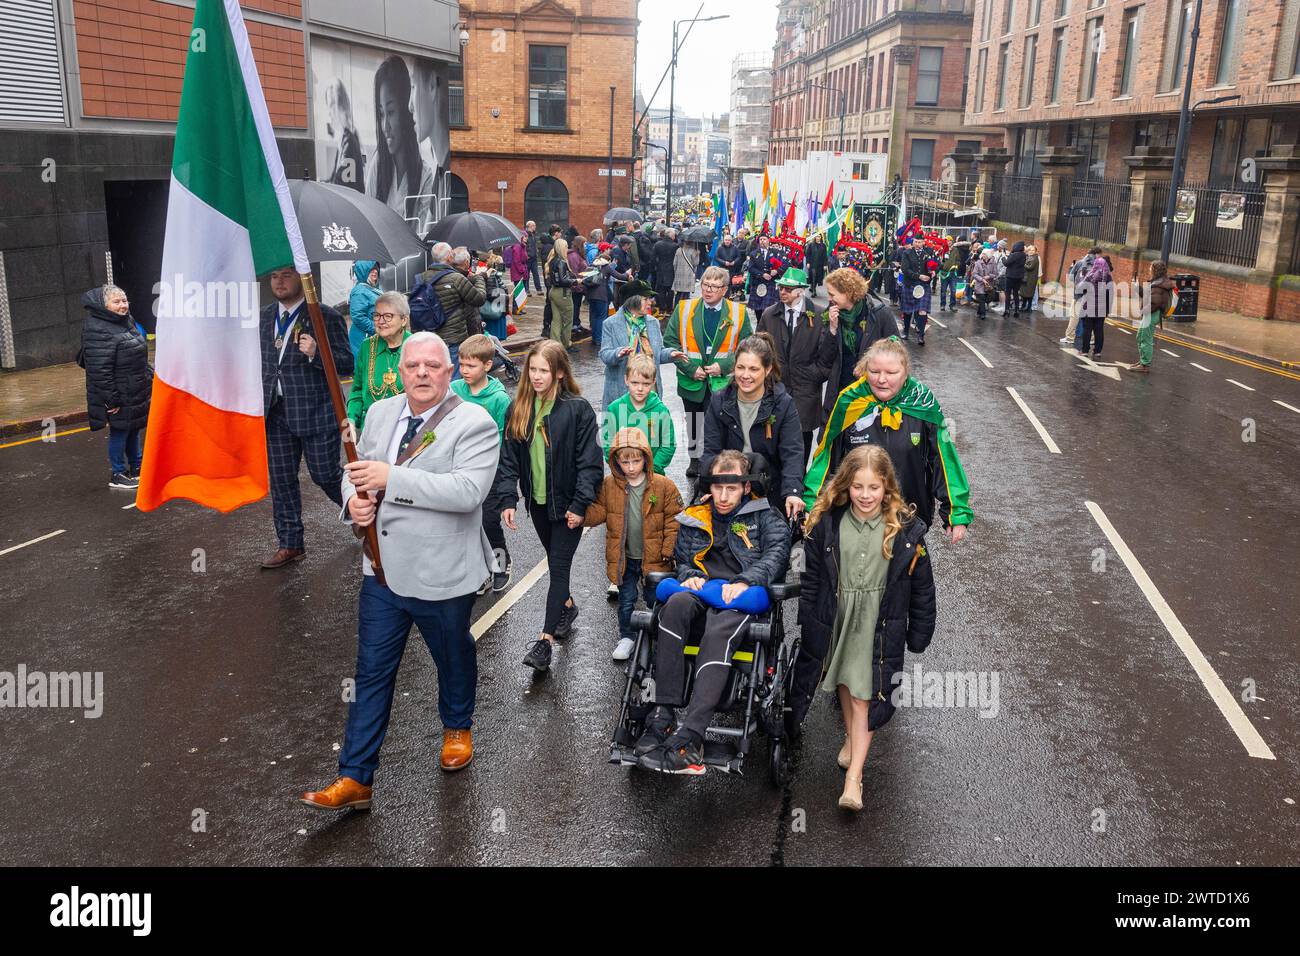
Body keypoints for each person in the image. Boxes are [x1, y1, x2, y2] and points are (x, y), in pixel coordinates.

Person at [300, 332, 500, 811]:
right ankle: (355, 777)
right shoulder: (381, 412)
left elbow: (467, 492)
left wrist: (393, 479)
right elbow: (355, 471)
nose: (422, 374)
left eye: (433, 366)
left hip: (443, 574)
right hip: (382, 572)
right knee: (371, 674)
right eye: (414, 366)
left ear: (449, 372)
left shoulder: (475, 423)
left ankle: (457, 727)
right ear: (401, 370)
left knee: (452, 658)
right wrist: (354, 503)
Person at [635, 451, 792, 774]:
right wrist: (687, 574)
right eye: (718, 488)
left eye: (731, 488)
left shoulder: (765, 516)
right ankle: (663, 716)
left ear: (746, 488)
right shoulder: (696, 515)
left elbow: (778, 554)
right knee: (673, 606)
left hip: (738, 595)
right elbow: (682, 559)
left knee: (719, 628)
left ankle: (691, 737)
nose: (723, 496)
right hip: (702, 590)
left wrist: (748, 580)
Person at [798, 445, 936, 810]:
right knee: (845, 682)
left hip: (880, 623)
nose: (865, 495)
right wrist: (810, 620)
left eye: (874, 488)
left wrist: (919, 633)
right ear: (846, 485)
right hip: (840, 616)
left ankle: (853, 780)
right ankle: (851, 739)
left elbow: (922, 586)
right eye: (858, 487)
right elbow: (813, 580)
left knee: (865, 696)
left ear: (887, 487)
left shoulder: (905, 530)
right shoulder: (828, 522)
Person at [495, 341, 603, 673]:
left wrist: (580, 504)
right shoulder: (519, 408)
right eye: (533, 369)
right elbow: (509, 460)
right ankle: (567, 607)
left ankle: (544, 643)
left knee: (557, 569)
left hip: (569, 506)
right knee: (556, 565)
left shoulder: (578, 409)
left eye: (544, 370)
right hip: (539, 505)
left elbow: (591, 464)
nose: (537, 376)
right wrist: (508, 499)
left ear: (558, 372)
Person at [805, 337, 972, 537]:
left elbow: (944, 461)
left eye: (891, 373)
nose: (881, 379)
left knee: (908, 568)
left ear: (905, 372)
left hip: (909, 517)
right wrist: (811, 505)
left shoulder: (924, 403)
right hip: (855, 516)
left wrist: (956, 513)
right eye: (874, 372)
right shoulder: (850, 401)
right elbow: (826, 458)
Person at [259, 266, 354, 569]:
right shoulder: (262, 318)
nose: (279, 282)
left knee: (325, 474)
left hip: (316, 411)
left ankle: (361, 513)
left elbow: (345, 363)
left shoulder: (325, 316)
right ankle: (290, 544)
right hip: (275, 413)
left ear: (301, 279)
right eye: (275, 276)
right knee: (281, 481)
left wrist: (317, 352)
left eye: (286, 275)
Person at [584, 427, 684, 661]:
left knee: (655, 598)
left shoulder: (663, 485)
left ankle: (658, 633)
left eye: (636, 461)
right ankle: (627, 637)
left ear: (646, 458)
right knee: (626, 599)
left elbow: (675, 519)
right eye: (625, 462)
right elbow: (599, 510)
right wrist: (580, 514)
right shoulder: (609, 485)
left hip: (655, 556)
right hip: (625, 556)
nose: (630, 467)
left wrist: (668, 549)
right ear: (616, 461)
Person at [663, 265, 755, 479]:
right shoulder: (684, 309)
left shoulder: (738, 312)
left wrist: (723, 367)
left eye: (714, 286)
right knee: (693, 421)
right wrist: (689, 368)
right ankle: (695, 460)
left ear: (724, 290)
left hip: (721, 383)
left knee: (720, 423)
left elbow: (748, 346)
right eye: (705, 284)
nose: (708, 290)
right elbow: (670, 341)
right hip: (691, 380)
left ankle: (718, 460)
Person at [702, 333, 806, 520]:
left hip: (769, 488)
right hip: (729, 486)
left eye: (753, 369)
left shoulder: (783, 404)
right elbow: (711, 451)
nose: (745, 375)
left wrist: (792, 492)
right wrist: (710, 485)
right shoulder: (719, 401)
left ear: (767, 370)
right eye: (740, 367)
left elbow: (792, 454)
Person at [452, 334, 514, 592]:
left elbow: (503, 438)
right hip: (459, 468)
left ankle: (501, 564)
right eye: (462, 364)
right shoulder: (454, 390)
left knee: (489, 521)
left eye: (471, 366)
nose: (464, 371)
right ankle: (479, 570)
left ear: (487, 366)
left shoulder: (499, 399)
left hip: (491, 472)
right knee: (466, 522)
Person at [757, 267, 836, 464]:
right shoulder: (769, 314)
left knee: (802, 442)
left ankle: (798, 486)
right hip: (776, 387)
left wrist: (815, 374)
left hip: (806, 389)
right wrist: (766, 377)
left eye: (787, 288)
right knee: (775, 439)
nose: (782, 291)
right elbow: (758, 349)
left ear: (800, 291)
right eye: (780, 287)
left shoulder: (818, 314)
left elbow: (827, 353)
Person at [81, 284, 151, 489]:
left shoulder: (124, 321)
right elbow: (99, 369)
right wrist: (111, 399)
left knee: (133, 428)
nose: (123, 305)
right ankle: (118, 473)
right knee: (120, 431)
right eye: (116, 302)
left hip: (133, 389)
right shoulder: (97, 328)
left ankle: (137, 468)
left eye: (124, 300)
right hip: (117, 393)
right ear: (104, 306)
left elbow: (137, 355)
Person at [821, 266, 899, 426]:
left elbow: (897, 352)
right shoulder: (831, 313)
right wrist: (832, 330)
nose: (829, 299)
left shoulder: (879, 313)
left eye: (832, 294)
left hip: (871, 392)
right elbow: (824, 358)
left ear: (848, 293)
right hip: (841, 390)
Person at [365, 55, 434, 233]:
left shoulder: (425, 175)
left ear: (405, 110)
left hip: (408, 258)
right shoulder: (378, 164)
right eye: (381, 114)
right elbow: (369, 222)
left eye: (391, 111)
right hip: (379, 258)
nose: (385, 126)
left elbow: (420, 234)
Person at [409, 243, 485, 376]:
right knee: (453, 379)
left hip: (428, 338)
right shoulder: (456, 279)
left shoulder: (420, 278)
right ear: (450, 257)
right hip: (452, 339)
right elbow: (479, 299)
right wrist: (479, 278)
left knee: (434, 376)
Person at [345, 291, 410, 436]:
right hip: (371, 428)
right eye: (377, 315)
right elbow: (356, 389)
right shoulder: (367, 347)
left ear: (404, 320)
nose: (381, 321)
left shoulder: (416, 345)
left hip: (405, 429)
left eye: (388, 316)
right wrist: (350, 421)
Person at [601, 353, 677, 476]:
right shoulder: (614, 408)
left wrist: (653, 467)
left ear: (653, 382)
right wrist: (619, 466)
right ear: (626, 380)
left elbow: (668, 444)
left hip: (652, 475)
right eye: (635, 383)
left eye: (646, 384)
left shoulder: (660, 410)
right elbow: (607, 442)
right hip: (622, 475)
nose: (640, 389)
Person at [599, 294, 680, 408]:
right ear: (633, 300)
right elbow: (605, 354)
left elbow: (658, 353)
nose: (650, 303)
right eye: (645, 299)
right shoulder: (610, 323)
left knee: (650, 424)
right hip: (622, 391)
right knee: (624, 425)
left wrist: (671, 354)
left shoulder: (653, 322)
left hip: (649, 390)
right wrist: (618, 353)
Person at [1135, 261, 1177, 374]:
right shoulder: (1158, 282)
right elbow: (1150, 296)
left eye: (1150, 268)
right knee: (1140, 336)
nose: (1149, 269)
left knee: (1145, 338)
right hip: (1151, 314)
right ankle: (1142, 361)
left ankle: (1145, 365)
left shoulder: (1159, 284)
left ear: (1155, 270)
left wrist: (1143, 310)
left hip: (1152, 314)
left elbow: (1155, 302)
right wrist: (1137, 288)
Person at [324, 79, 365, 192]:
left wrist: (323, 187)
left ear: (341, 107)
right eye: (328, 106)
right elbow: (335, 178)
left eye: (332, 105)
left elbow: (343, 185)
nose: (329, 112)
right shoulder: (344, 141)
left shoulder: (349, 143)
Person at [896, 233, 933, 345]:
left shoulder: (928, 253)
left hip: (924, 286)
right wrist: (919, 276)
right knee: (907, 311)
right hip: (910, 285)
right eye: (915, 242)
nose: (917, 244)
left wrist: (933, 272)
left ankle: (921, 336)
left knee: (922, 311)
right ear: (913, 242)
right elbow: (905, 269)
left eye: (919, 242)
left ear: (923, 242)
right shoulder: (906, 253)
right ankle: (906, 332)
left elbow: (934, 265)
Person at [1076, 254, 1113, 358]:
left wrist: (1082, 278)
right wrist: (1108, 310)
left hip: (1088, 307)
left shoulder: (1090, 275)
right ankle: (1097, 351)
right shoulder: (1108, 277)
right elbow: (1110, 295)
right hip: (1101, 308)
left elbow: (1080, 289)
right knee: (1099, 330)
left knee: (1087, 329)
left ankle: (1084, 350)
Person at [546, 238, 578, 350]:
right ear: (561, 248)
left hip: (553, 291)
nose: (567, 249)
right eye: (565, 247)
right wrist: (576, 281)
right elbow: (563, 280)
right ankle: (566, 344)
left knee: (556, 320)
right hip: (563, 293)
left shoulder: (552, 260)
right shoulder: (562, 262)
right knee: (568, 320)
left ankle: (555, 345)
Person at [347, 260, 381, 358]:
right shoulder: (360, 291)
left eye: (376, 269)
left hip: (371, 335)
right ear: (363, 272)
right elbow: (358, 317)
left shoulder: (373, 289)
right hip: (363, 337)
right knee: (366, 367)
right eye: (371, 270)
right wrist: (376, 329)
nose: (375, 271)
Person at [746, 235, 784, 314]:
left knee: (769, 308)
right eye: (761, 239)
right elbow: (751, 268)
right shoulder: (754, 253)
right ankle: (760, 324)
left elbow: (786, 264)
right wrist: (762, 274)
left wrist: (777, 271)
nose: (762, 241)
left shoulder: (776, 252)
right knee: (758, 308)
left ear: (768, 241)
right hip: (757, 283)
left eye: (764, 239)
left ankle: (767, 324)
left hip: (771, 283)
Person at [653, 228, 680, 313]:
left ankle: (661, 308)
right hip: (671, 270)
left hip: (660, 269)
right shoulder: (675, 246)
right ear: (672, 236)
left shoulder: (658, 244)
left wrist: (656, 266)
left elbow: (653, 258)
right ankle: (669, 308)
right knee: (670, 290)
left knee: (661, 290)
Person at [969, 248, 998, 320]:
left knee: (984, 299)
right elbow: (974, 274)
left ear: (988, 255)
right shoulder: (978, 263)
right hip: (980, 284)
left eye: (984, 254)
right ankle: (983, 314)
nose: (983, 255)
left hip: (989, 284)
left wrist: (989, 276)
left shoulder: (993, 262)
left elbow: (996, 274)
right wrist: (982, 279)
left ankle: (979, 311)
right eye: (982, 254)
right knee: (981, 297)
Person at [672, 241, 701, 307]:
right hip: (689, 274)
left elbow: (674, 263)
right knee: (686, 293)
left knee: (678, 293)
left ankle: (676, 307)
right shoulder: (694, 251)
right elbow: (696, 263)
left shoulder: (679, 250)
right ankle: (684, 308)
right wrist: (697, 255)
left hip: (679, 274)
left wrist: (676, 272)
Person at [1003, 240, 1027, 318]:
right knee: (1016, 293)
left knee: (1008, 294)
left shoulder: (1014, 255)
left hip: (1010, 277)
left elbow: (1006, 263)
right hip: (1019, 277)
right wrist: (1010, 255)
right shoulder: (1023, 255)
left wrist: (1004, 257)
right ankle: (1016, 310)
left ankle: (1007, 310)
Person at [937, 237, 961, 312]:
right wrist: (941, 266)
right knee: (943, 290)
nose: (948, 242)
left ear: (952, 241)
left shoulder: (956, 250)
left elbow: (958, 260)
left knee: (953, 290)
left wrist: (956, 266)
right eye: (946, 241)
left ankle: (952, 305)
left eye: (950, 240)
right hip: (944, 273)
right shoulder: (942, 249)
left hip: (953, 273)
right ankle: (942, 305)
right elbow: (938, 259)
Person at [1021, 243, 1041, 313]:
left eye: (1033, 250)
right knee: (1025, 293)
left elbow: (1030, 267)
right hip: (1027, 278)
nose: (1031, 251)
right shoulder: (1030, 257)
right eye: (1030, 250)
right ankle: (1024, 306)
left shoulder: (1035, 258)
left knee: (1029, 294)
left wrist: (1023, 263)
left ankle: (1028, 307)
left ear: (1035, 251)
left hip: (1031, 279)